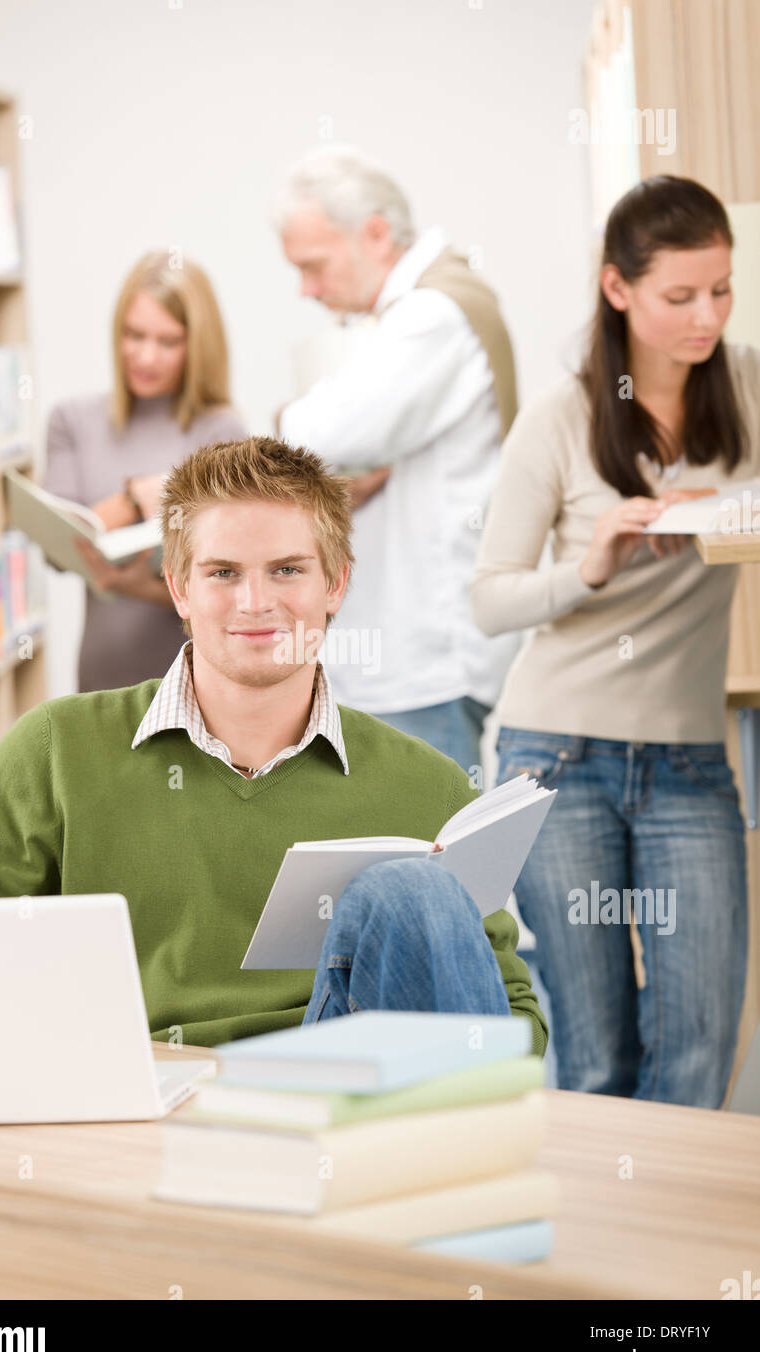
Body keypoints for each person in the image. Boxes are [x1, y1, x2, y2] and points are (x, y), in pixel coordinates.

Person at [0, 437, 547, 1057]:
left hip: (346, 1104)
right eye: (223, 572)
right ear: (179, 587)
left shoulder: (429, 786)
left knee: (410, 895)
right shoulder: (56, 752)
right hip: (146, 1103)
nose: (255, 602)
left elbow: (513, 1020)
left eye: (287, 570)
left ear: (335, 585)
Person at [471, 175, 760, 1109]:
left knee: (700, 1049)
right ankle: (607, 1251)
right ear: (617, 288)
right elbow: (489, 601)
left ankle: (675, 1259)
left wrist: (725, 515)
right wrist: (592, 563)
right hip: (556, 754)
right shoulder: (559, 419)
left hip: (687, 760)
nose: (706, 316)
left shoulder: (747, 390)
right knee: (596, 1064)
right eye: (680, 296)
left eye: (721, 289)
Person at [273, 145, 521, 777]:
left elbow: (321, 435)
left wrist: (286, 417)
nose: (306, 289)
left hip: (423, 665)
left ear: (375, 234)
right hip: (410, 662)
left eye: (313, 265)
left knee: (422, 868)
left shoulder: (433, 315)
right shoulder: (413, 313)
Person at [44, 251, 247, 692]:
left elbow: (231, 586)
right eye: (133, 335)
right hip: (102, 681)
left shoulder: (222, 430)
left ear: (197, 345)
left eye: (168, 341)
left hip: (198, 687)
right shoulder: (72, 420)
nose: (146, 356)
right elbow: (56, 551)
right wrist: (134, 500)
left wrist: (145, 588)